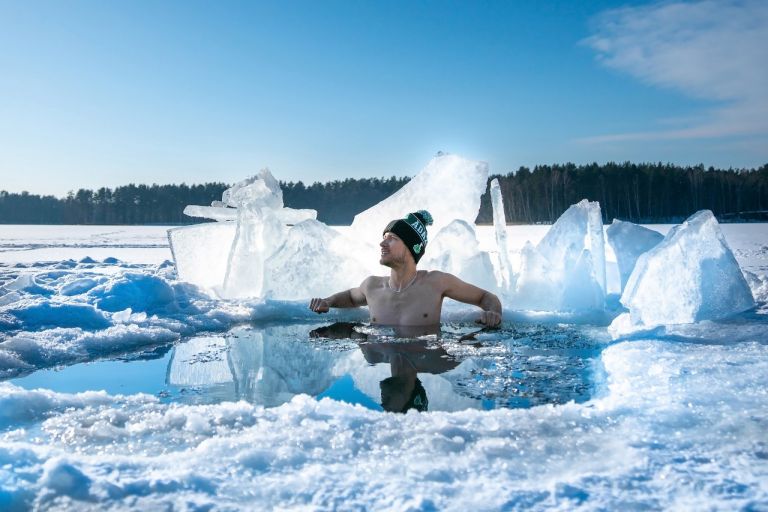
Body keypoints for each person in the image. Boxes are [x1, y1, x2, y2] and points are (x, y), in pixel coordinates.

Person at [309, 210, 502, 329]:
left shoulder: (436, 283)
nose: (382, 243)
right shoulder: (372, 286)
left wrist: (493, 314)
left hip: (423, 355)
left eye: (391, 238)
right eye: (384, 237)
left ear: (412, 248)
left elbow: (486, 297)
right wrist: (327, 301)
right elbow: (351, 297)